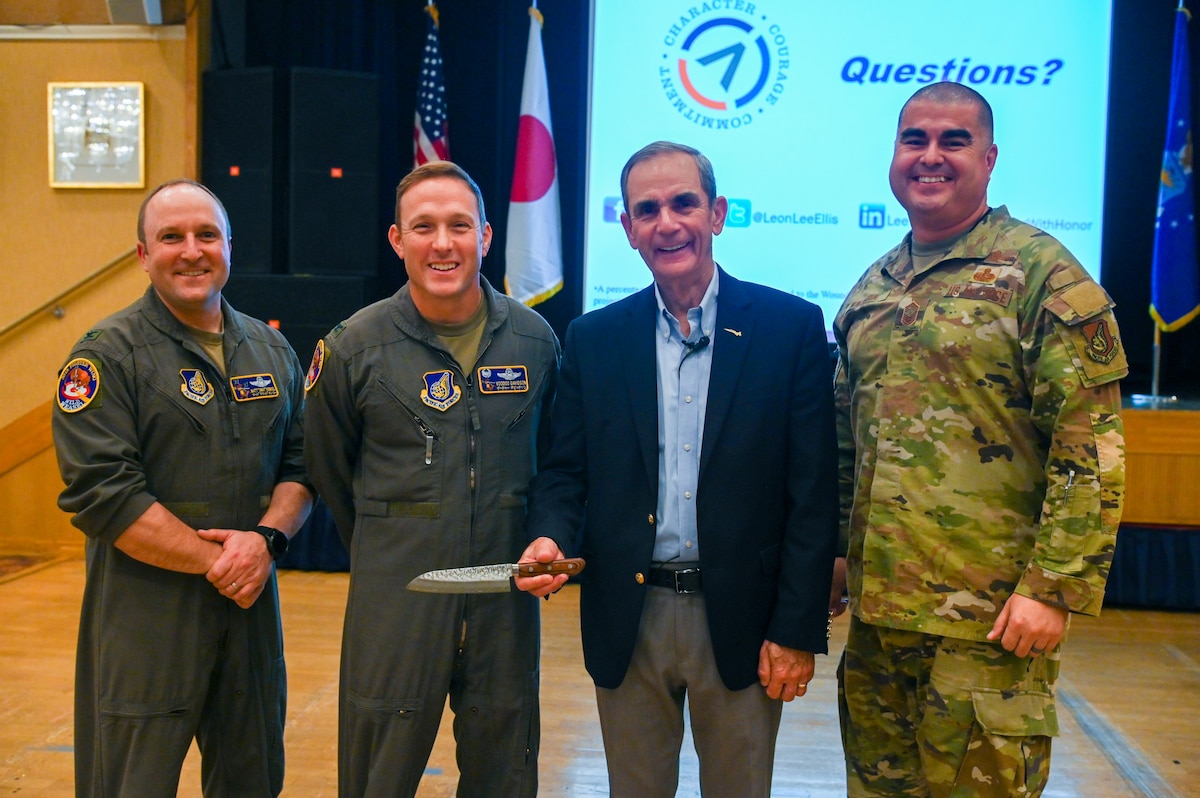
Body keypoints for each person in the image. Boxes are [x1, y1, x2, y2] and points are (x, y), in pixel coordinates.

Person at [516, 141, 839, 797]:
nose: (667, 223)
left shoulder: (790, 329)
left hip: (746, 622)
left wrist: (796, 629)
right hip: (628, 617)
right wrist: (550, 535)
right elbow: (565, 474)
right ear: (628, 227)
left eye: (684, 203)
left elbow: (812, 495)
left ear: (717, 214)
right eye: (647, 210)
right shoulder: (594, 339)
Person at [833, 82, 1127, 797]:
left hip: (990, 629)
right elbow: (847, 444)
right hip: (878, 631)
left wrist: (1053, 588)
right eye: (914, 140)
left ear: (989, 159)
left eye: (953, 141)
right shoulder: (872, 288)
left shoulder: (1041, 274)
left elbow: (1090, 448)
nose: (930, 156)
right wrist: (837, 552)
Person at [302, 160, 560, 797]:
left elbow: (556, 463)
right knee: (378, 778)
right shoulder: (354, 348)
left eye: (459, 226)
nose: (442, 243)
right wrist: (392, 543)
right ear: (397, 240)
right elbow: (330, 470)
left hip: (503, 600)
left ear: (486, 236)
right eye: (423, 227)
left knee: (505, 775)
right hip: (398, 599)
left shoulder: (534, 342)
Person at [52, 179, 314, 797]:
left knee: (253, 778)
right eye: (171, 237)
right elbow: (106, 495)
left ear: (229, 247)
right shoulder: (105, 358)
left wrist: (266, 541)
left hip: (249, 611)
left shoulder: (272, 349)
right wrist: (225, 562)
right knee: (131, 783)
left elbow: (303, 467)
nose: (191, 251)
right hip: (146, 616)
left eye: (206, 235)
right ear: (144, 255)